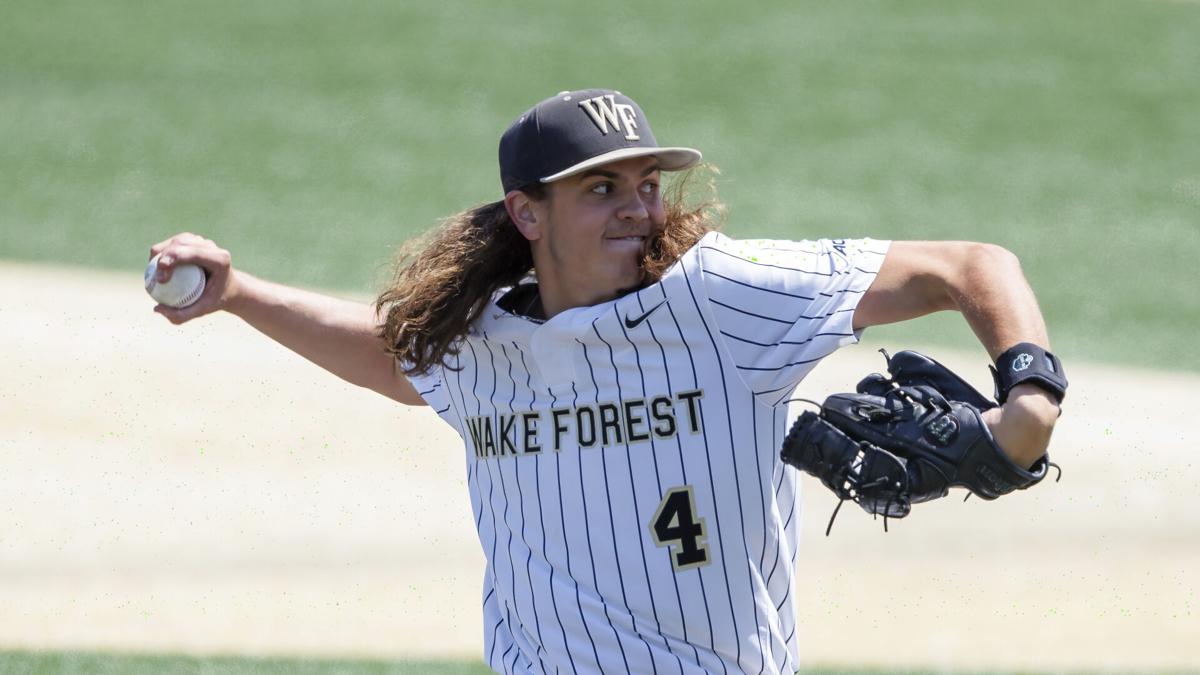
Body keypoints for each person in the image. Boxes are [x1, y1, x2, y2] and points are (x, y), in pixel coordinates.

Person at [150, 88, 1062, 674]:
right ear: (527, 212)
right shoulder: (485, 340)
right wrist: (238, 294)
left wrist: (1029, 405)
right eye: (600, 189)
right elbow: (394, 359)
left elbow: (971, 266)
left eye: (645, 183)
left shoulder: (721, 299)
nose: (637, 208)